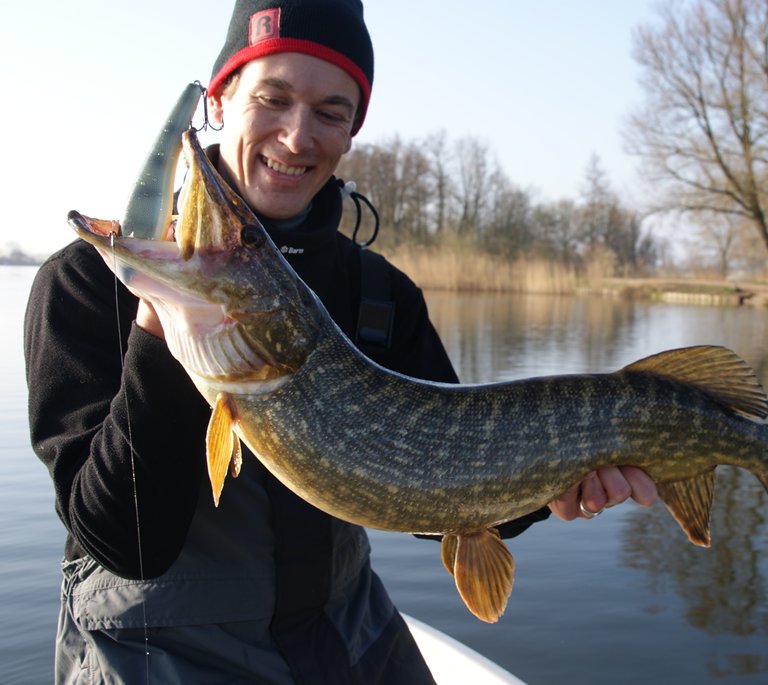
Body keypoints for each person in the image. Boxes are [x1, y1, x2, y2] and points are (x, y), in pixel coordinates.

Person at [24, 0, 658, 682]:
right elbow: (125, 542)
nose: (298, 136)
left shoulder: (381, 295)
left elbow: (447, 488)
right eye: (272, 97)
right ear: (219, 98)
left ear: (350, 133)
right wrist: (159, 328)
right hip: (160, 651)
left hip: (347, 634)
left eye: (330, 112)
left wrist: (553, 482)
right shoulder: (86, 286)